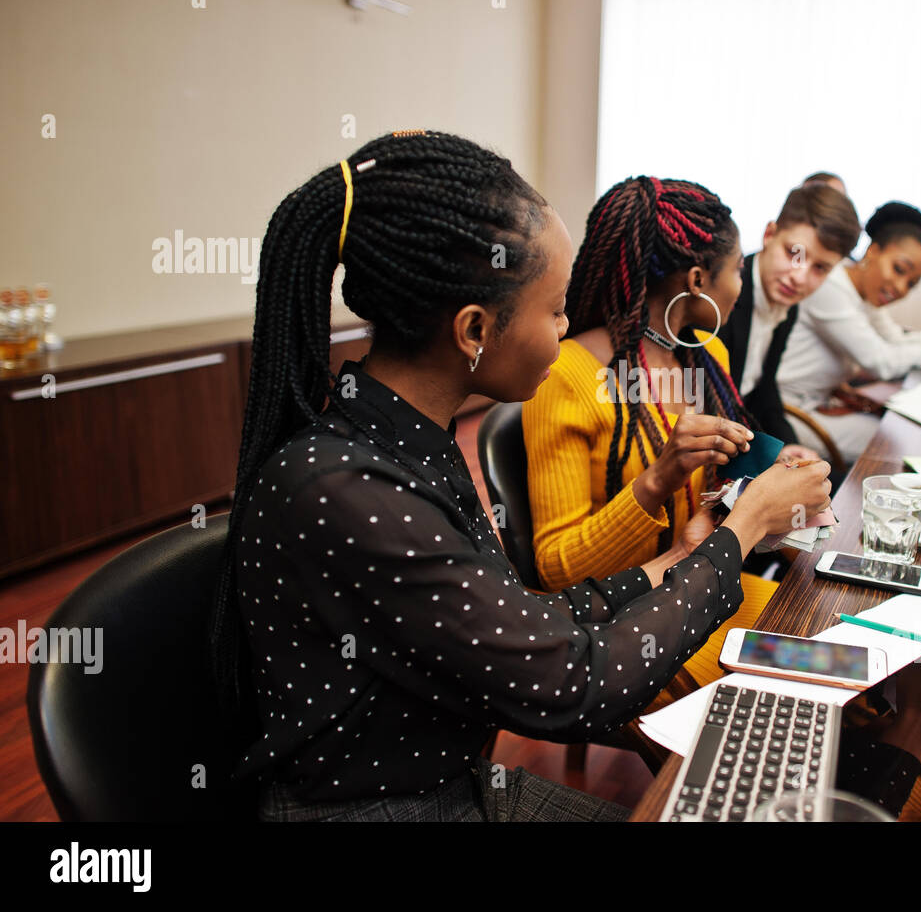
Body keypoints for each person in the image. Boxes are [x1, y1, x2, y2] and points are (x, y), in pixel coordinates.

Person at [212, 132, 832, 821]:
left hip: (453, 780)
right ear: (475, 329)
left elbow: (524, 617)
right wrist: (739, 534)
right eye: (557, 308)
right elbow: (575, 681)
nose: (569, 329)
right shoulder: (349, 489)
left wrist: (683, 557)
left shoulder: (407, 440)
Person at [522, 176, 818, 693]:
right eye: (740, 270)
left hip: (706, 585)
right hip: (630, 625)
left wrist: (769, 476)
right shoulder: (567, 379)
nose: (742, 286)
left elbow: (712, 499)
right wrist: (659, 477)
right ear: (700, 279)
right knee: (805, 689)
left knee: (840, 661)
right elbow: (556, 575)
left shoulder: (708, 358)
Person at [778, 201, 921, 460]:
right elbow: (883, 362)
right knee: (901, 442)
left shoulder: (864, 295)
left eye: (911, 284)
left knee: (908, 431)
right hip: (792, 414)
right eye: (899, 270)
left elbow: (898, 341)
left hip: (823, 404)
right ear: (873, 251)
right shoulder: (831, 286)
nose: (902, 288)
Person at [717, 182, 861, 446]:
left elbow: (764, 387)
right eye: (794, 253)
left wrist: (790, 446)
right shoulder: (724, 294)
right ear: (769, 234)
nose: (799, 277)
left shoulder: (789, 306)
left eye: (820, 268)